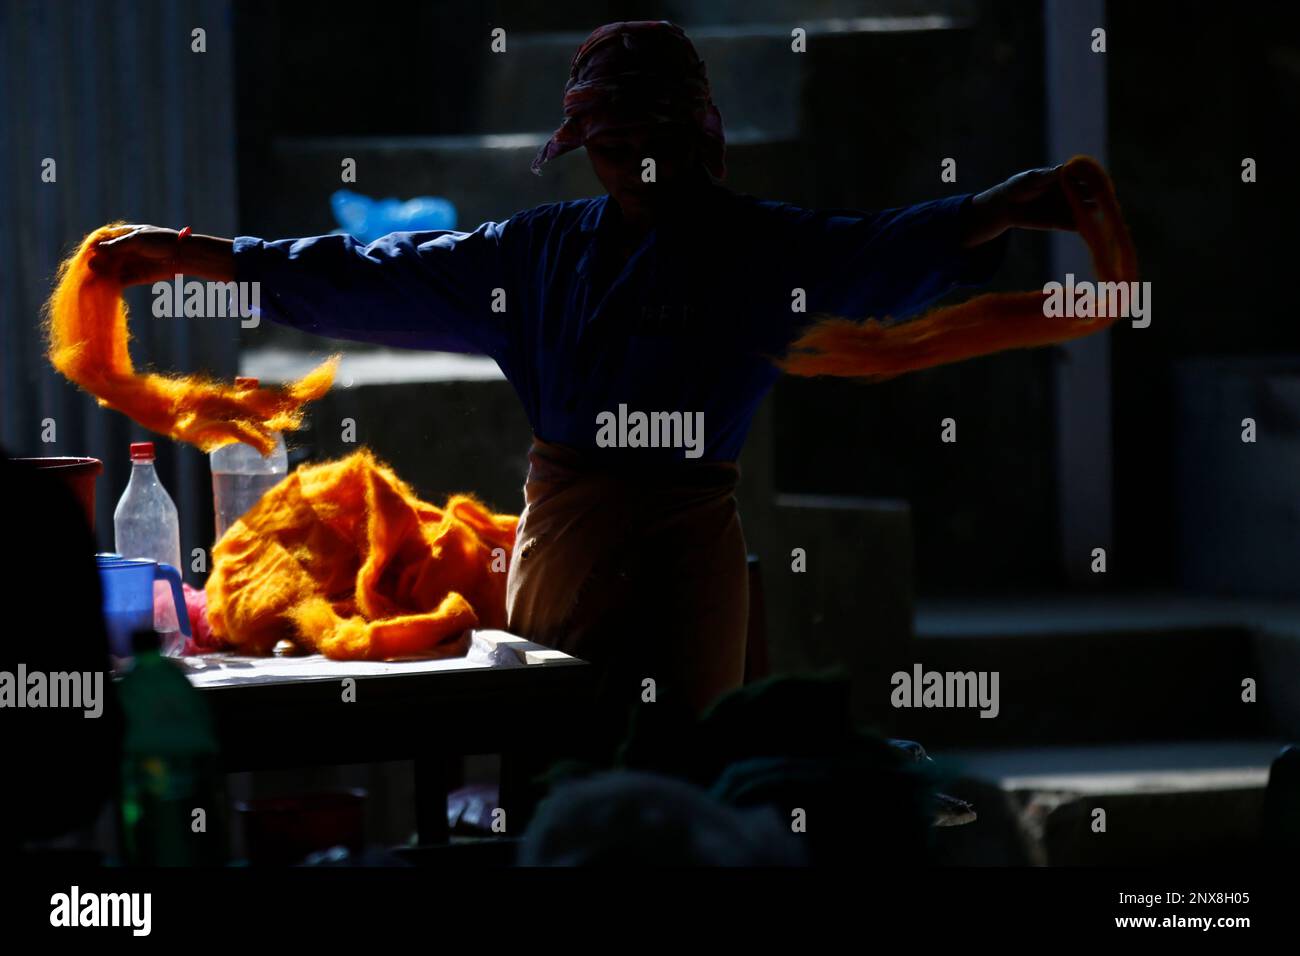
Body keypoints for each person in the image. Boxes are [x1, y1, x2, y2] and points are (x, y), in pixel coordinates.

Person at [89, 21, 1088, 755]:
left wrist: (995, 209)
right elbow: (369, 274)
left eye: (647, 145)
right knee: (561, 792)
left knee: (665, 802)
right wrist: (195, 254)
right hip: (558, 565)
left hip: (682, 580)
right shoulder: (538, 257)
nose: (633, 169)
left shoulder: (755, 251)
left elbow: (885, 250)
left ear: (699, 138)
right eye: (612, 151)